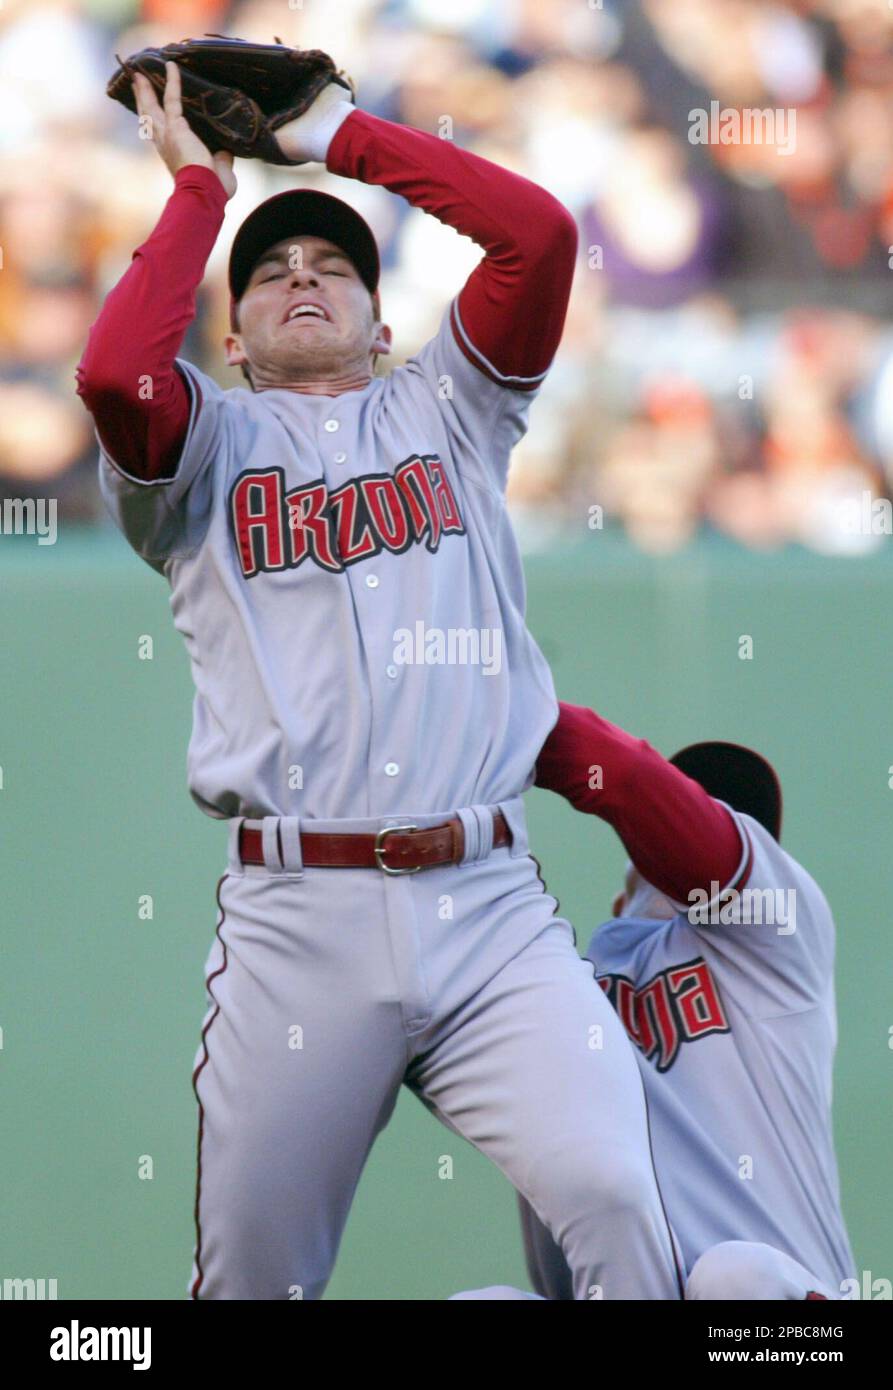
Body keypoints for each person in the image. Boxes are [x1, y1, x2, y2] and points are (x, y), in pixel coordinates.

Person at [75, 65, 682, 1301]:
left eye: (334, 266)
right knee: (253, 1282)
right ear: (230, 341)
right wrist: (199, 194)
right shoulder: (200, 447)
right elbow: (111, 374)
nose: (302, 273)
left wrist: (337, 137)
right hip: (299, 919)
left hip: (489, 908)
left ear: (384, 323)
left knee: (616, 1195)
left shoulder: (452, 410)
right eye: (269, 271)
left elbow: (535, 237)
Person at [454, 701, 855, 1300]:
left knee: (735, 1278)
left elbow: (627, 779)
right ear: (620, 901)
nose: (720, 825)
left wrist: (491, 706)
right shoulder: (553, 985)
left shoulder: (777, 934)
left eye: (736, 824)